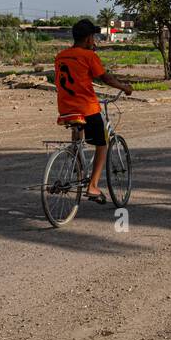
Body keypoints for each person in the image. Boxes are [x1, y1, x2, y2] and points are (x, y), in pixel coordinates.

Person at [55, 18, 134, 204]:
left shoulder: (61, 56)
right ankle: (92, 186)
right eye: (93, 36)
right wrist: (124, 87)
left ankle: (80, 170)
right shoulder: (89, 56)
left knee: (78, 138)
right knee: (102, 144)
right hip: (86, 107)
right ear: (89, 38)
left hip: (66, 107)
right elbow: (105, 78)